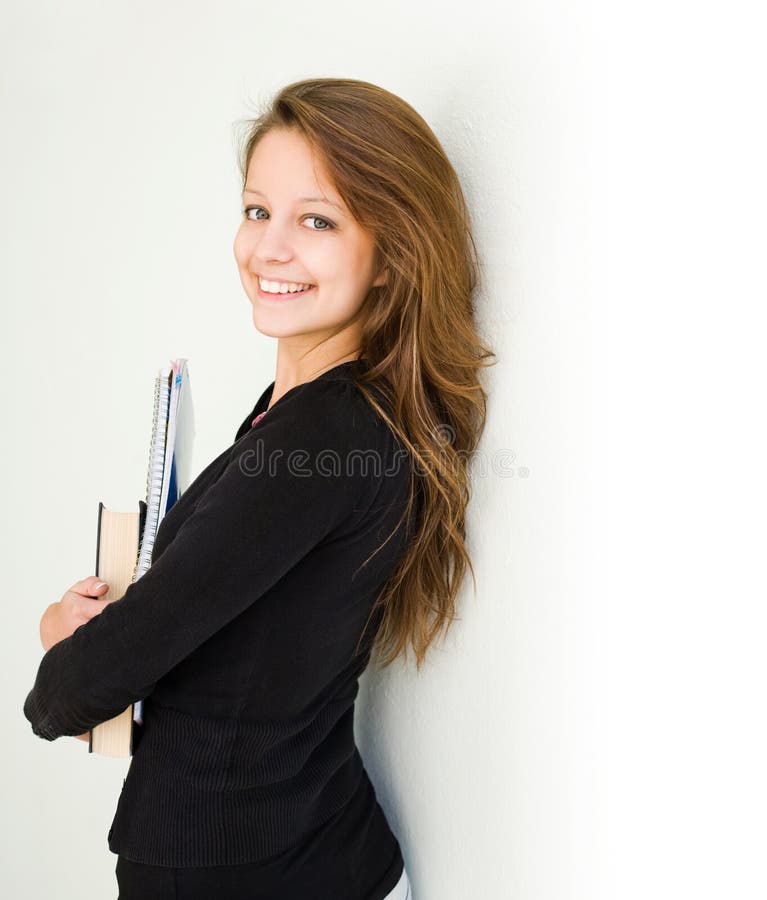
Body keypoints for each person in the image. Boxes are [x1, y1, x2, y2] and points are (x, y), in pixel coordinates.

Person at [23, 77, 495, 899]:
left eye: (317, 220)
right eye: (256, 211)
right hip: (320, 847)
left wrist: (61, 635)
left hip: (236, 869)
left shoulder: (316, 441)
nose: (268, 248)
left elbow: (70, 696)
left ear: (391, 257)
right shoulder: (328, 414)